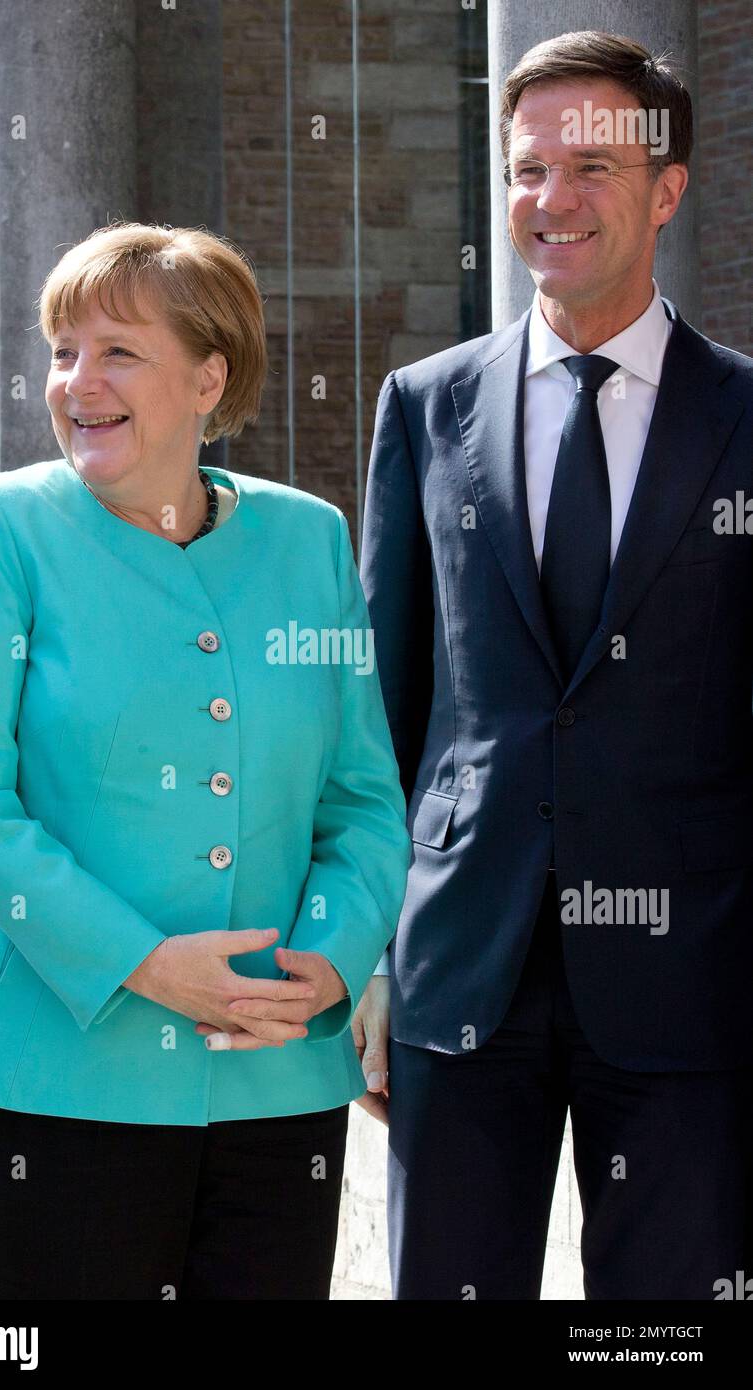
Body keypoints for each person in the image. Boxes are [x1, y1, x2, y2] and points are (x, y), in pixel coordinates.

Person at [0, 220, 411, 1300]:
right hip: (42, 1089)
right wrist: (148, 963)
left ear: (208, 376)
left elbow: (361, 799)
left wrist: (331, 958)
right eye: (63, 350)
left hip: (275, 1091)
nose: (78, 380)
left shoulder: (307, 537)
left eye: (117, 350)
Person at [355, 31, 753, 1299]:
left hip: (692, 980)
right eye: (528, 169)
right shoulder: (423, 407)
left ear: (666, 188)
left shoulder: (742, 418)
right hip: (462, 965)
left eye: (590, 165)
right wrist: (370, 951)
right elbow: (382, 712)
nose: (551, 200)